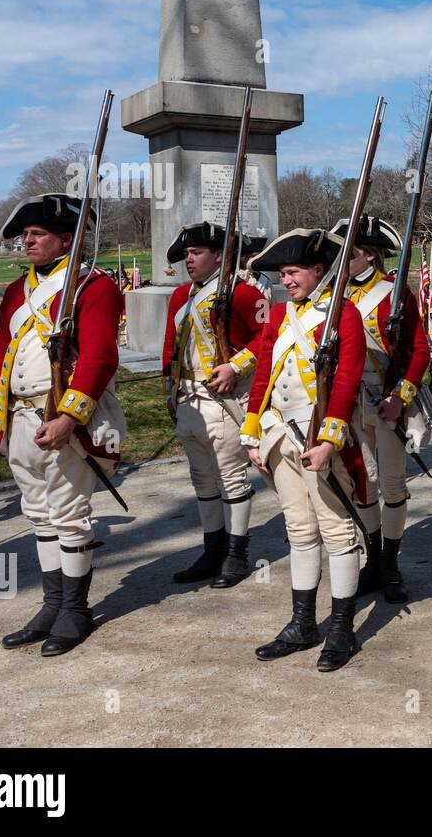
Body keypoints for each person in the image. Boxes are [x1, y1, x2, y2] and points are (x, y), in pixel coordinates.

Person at [0, 194, 125, 656]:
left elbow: (102, 355)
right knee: (39, 515)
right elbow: (3, 351)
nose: (27, 240)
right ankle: (52, 605)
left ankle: (75, 610)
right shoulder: (15, 292)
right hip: (20, 415)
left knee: (68, 515)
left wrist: (69, 416)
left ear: (66, 239)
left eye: (37, 233)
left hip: (65, 418)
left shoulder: (93, 286)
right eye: (25, 234)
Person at [239, 228, 368, 671]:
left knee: (337, 533)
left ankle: (342, 630)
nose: (286, 280)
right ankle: (302, 623)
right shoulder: (278, 316)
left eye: (293, 272)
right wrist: (252, 431)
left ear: (318, 270)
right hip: (279, 436)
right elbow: (263, 376)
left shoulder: (344, 315)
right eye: (282, 274)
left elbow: (347, 381)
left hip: (320, 440)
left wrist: (330, 441)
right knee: (299, 530)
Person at [161, 222, 268, 589]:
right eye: (187, 254)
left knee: (231, 477)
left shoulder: (243, 293)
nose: (189, 259)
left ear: (219, 255)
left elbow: (266, 337)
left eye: (197, 253)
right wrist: (168, 389)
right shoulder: (180, 298)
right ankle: (212, 549)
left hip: (224, 398)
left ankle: (237, 554)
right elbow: (169, 347)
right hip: (189, 395)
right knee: (202, 478)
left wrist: (236, 366)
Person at [333, 215, 432, 604]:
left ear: (370, 257)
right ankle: (372, 559)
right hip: (346, 407)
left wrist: (400, 398)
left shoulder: (394, 293)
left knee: (392, 487)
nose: (343, 260)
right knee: (362, 486)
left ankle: (390, 565)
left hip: (386, 404)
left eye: (350, 253)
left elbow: (419, 350)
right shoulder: (333, 298)